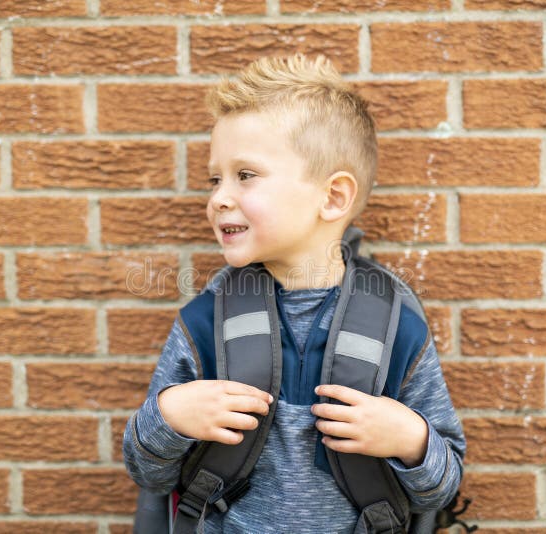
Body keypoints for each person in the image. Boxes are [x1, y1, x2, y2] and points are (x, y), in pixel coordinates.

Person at [122, 52, 466, 533]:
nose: (219, 197)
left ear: (333, 197)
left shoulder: (394, 327)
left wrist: (410, 440)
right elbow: (147, 472)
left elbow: (444, 484)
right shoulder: (205, 322)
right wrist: (168, 417)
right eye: (214, 178)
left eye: (245, 175)